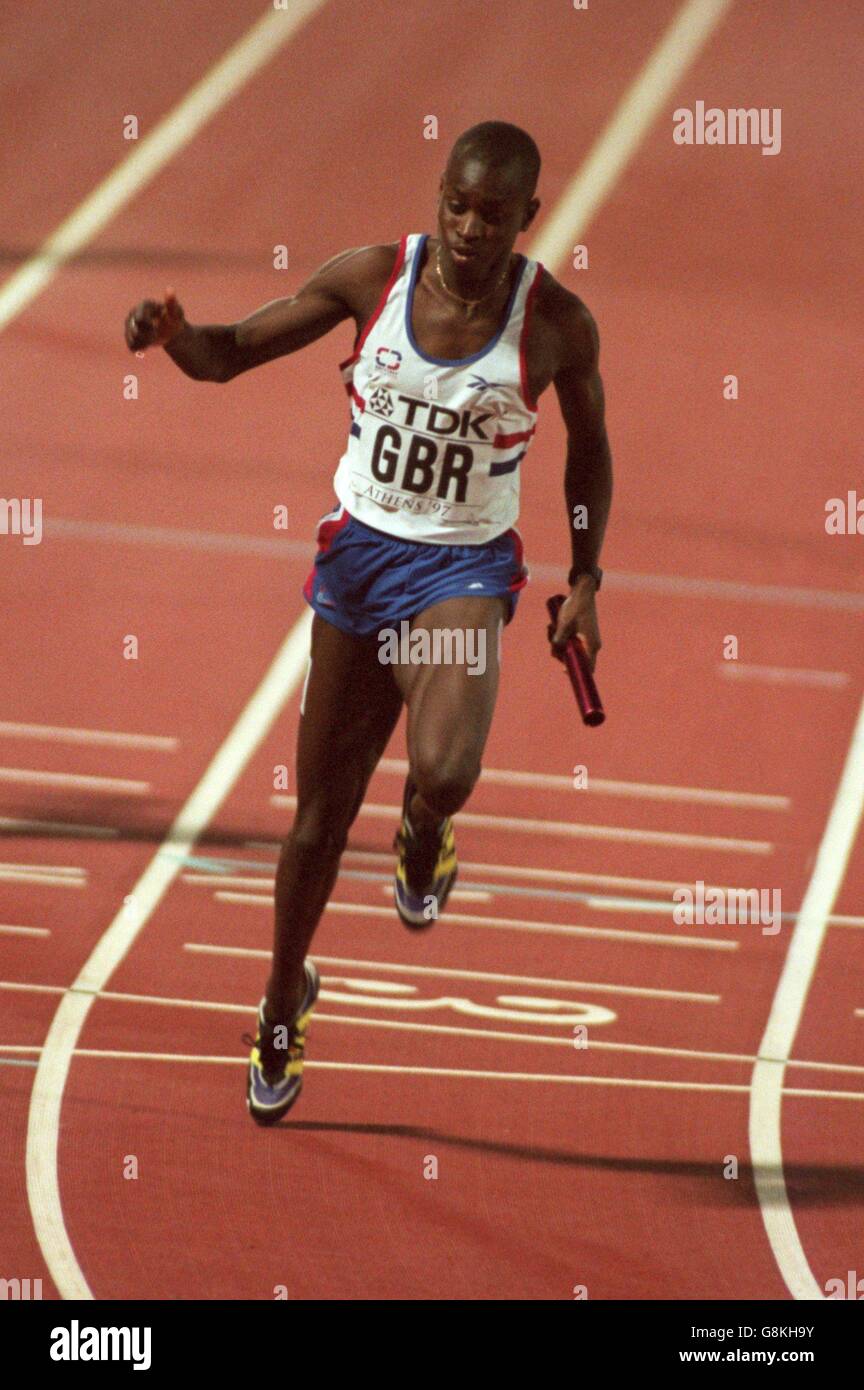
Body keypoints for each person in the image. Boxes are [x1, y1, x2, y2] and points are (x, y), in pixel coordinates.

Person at [124, 120, 613, 1125]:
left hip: (463, 571)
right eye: (457, 204)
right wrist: (174, 336)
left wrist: (590, 576)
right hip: (358, 566)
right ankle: (280, 997)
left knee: (446, 769)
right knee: (315, 822)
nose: (471, 228)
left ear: (529, 217)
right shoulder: (372, 279)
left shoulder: (555, 321)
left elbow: (591, 451)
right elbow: (227, 357)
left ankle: (426, 831)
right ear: (440, 196)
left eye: (493, 213)